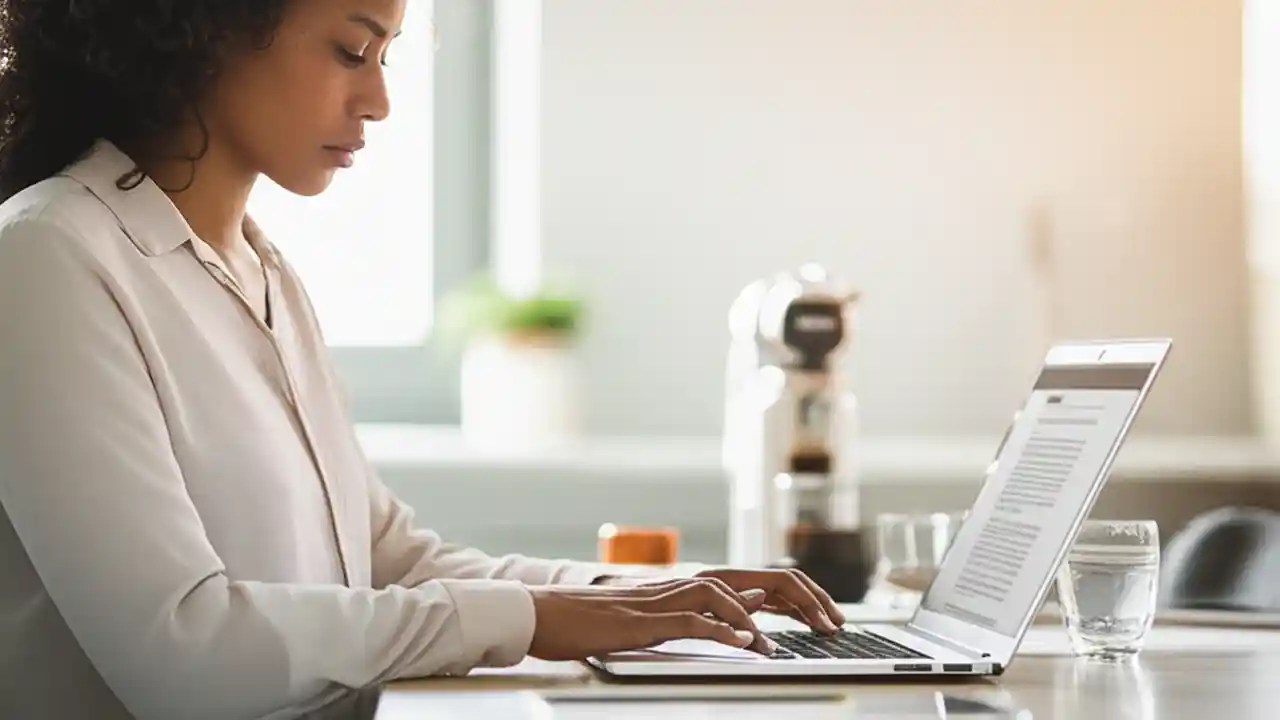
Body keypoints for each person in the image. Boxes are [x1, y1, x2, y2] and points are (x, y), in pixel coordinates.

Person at [0, 2, 845, 718]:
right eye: (351, 50)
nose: (378, 101)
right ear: (209, 27)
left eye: (387, 57)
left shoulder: (261, 273)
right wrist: (529, 618)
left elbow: (393, 560)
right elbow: (177, 651)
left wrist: (662, 598)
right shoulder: (48, 257)